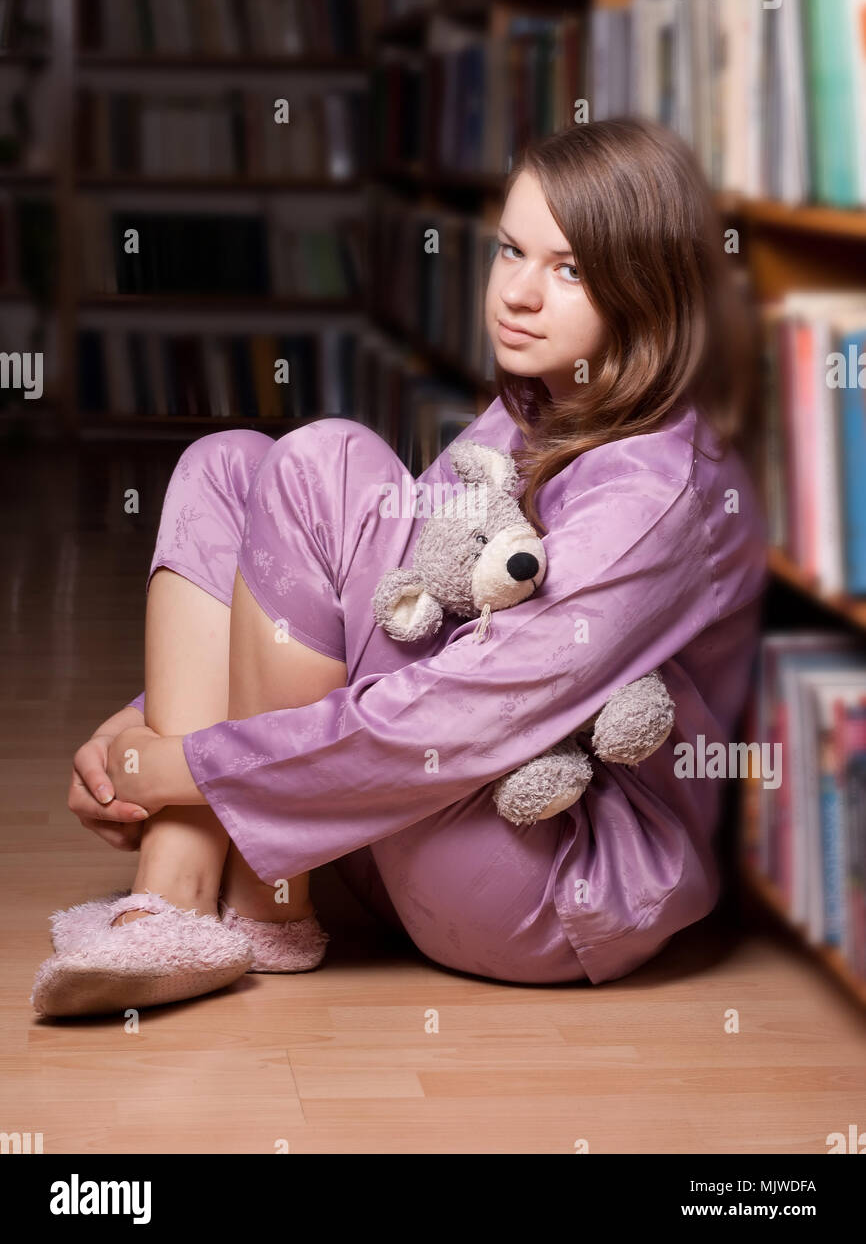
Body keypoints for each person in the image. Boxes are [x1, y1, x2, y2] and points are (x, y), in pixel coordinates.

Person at [32, 118, 768, 1017]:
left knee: (324, 461)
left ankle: (246, 905)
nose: (519, 295)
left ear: (650, 294)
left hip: (550, 879)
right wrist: (137, 733)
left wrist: (173, 766)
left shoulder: (658, 494)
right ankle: (179, 895)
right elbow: (381, 598)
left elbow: (459, 715)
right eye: (510, 251)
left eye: (570, 269)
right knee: (226, 463)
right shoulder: (541, 403)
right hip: (416, 826)